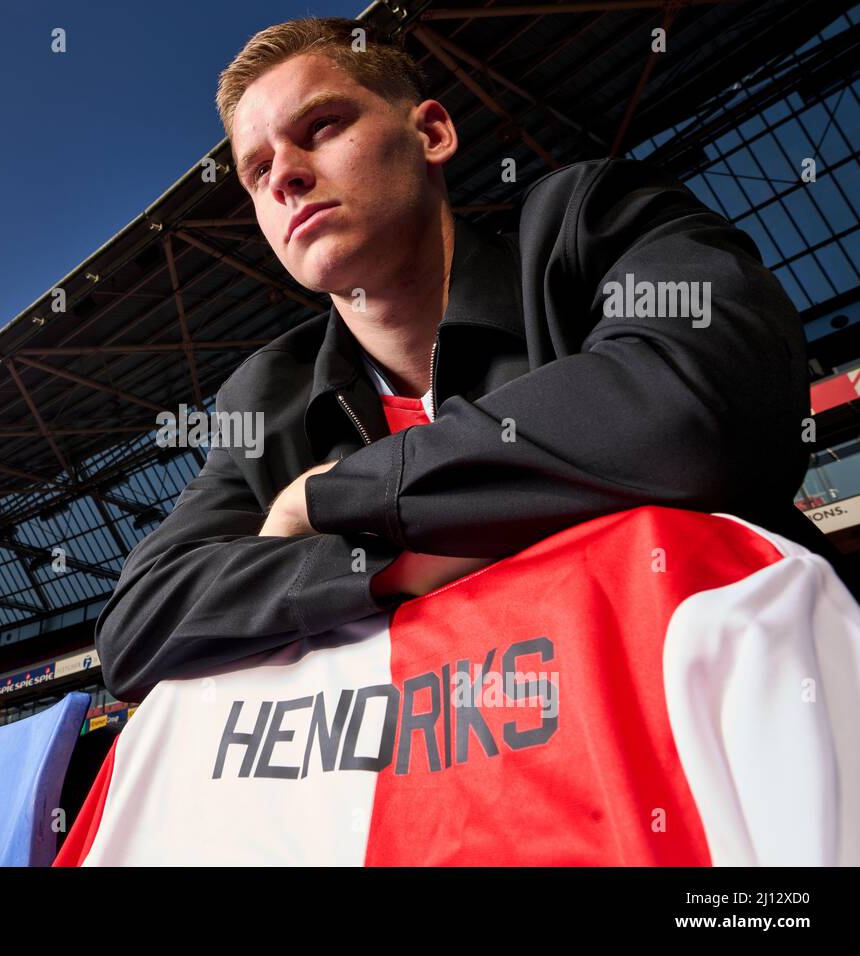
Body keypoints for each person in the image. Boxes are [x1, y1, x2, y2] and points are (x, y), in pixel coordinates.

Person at [95, 16, 852, 704]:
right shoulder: (264, 399)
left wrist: (322, 501)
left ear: (431, 134)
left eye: (321, 127)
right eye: (257, 171)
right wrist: (390, 566)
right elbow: (137, 627)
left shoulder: (592, 227)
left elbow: (701, 405)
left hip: (746, 730)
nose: (286, 175)